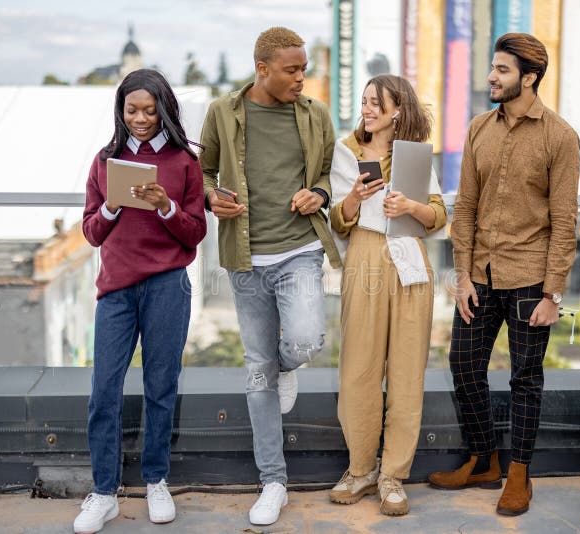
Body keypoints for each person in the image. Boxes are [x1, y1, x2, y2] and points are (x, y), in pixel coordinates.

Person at [427, 33, 579, 516]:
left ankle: (519, 475)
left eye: (502, 70)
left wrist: (553, 292)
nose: (491, 77)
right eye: (492, 68)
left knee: (525, 379)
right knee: (463, 364)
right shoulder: (478, 128)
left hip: (532, 278)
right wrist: (463, 276)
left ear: (529, 78)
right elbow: (466, 206)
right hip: (481, 275)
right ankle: (482, 459)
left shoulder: (560, 136)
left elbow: (565, 221)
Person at [199, 27, 340, 526]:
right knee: (256, 366)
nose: (302, 78)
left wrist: (318, 195)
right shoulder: (222, 111)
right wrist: (211, 196)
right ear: (263, 69)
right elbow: (204, 172)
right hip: (245, 257)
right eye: (292, 70)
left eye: (304, 69)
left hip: (300, 250)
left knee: (304, 342)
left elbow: (327, 175)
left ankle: (287, 367)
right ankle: (273, 481)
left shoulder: (315, 114)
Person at [75, 68, 207, 533]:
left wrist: (164, 205)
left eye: (151, 111)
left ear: (165, 110)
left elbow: (195, 231)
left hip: (168, 285)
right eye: (133, 110)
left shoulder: (183, 162)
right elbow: (91, 232)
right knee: (104, 390)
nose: (141, 119)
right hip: (115, 289)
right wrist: (114, 202)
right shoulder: (103, 161)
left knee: (160, 387)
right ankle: (104, 491)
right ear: (121, 111)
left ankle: (156, 479)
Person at [328, 74, 447, 516]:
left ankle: (393, 475)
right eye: (365, 101)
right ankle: (360, 469)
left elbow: (437, 215)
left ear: (398, 109)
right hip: (364, 256)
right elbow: (337, 220)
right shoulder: (345, 152)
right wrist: (355, 199)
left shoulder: (414, 156)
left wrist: (410, 207)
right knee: (357, 368)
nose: (369, 109)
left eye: (377, 102)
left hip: (410, 261)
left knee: (406, 374)